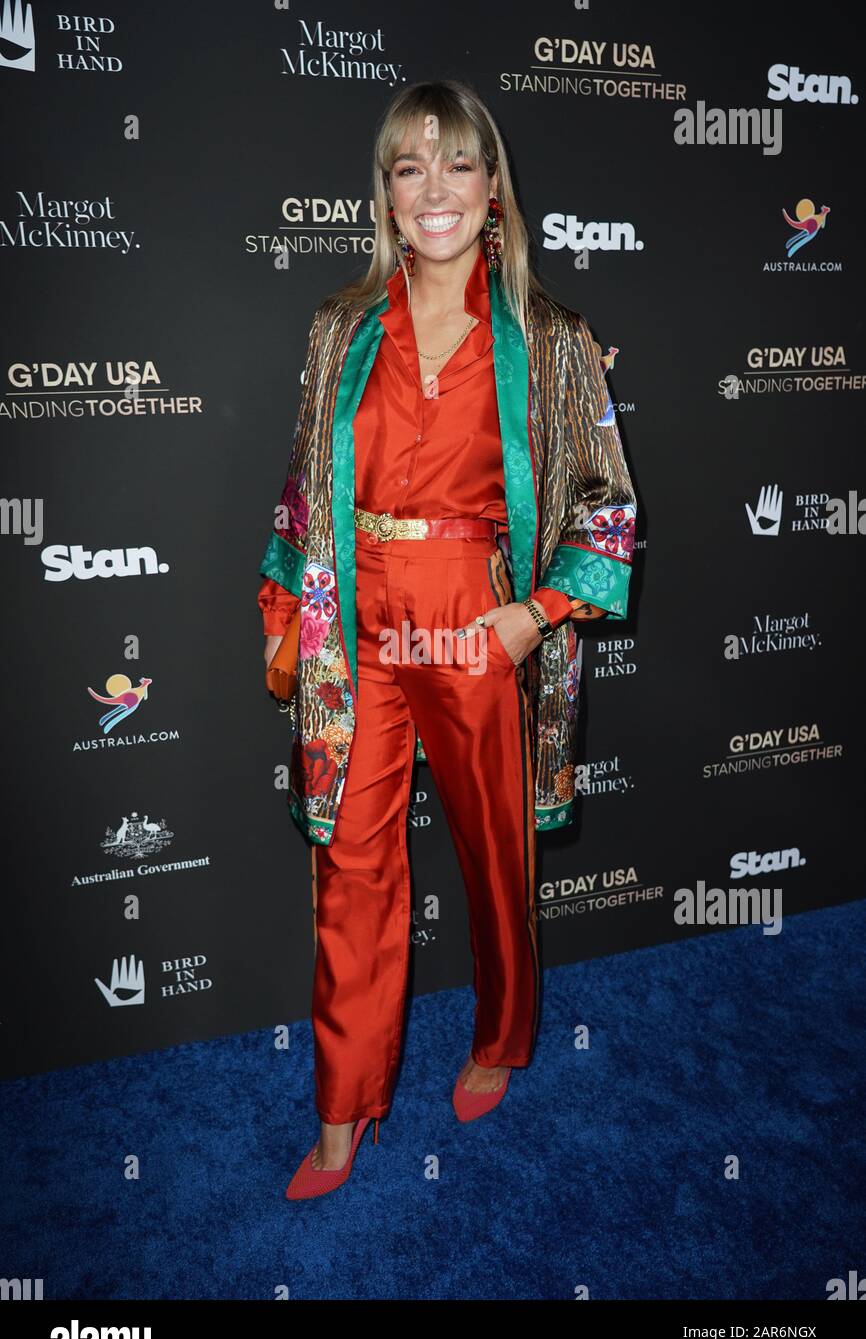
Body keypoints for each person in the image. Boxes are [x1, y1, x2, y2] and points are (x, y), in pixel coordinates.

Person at [258, 79, 637, 1200]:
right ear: (383, 193)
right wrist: (285, 612)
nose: (434, 189)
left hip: (478, 623)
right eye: (407, 167)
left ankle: (502, 1033)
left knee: (492, 853)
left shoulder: (553, 339)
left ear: (492, 189)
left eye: (457, 164)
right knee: (351, 864)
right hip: (359, 626)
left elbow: (606, 504)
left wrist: (532, 615)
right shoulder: (337, 328)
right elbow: (299, 489)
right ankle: (344, 1103)